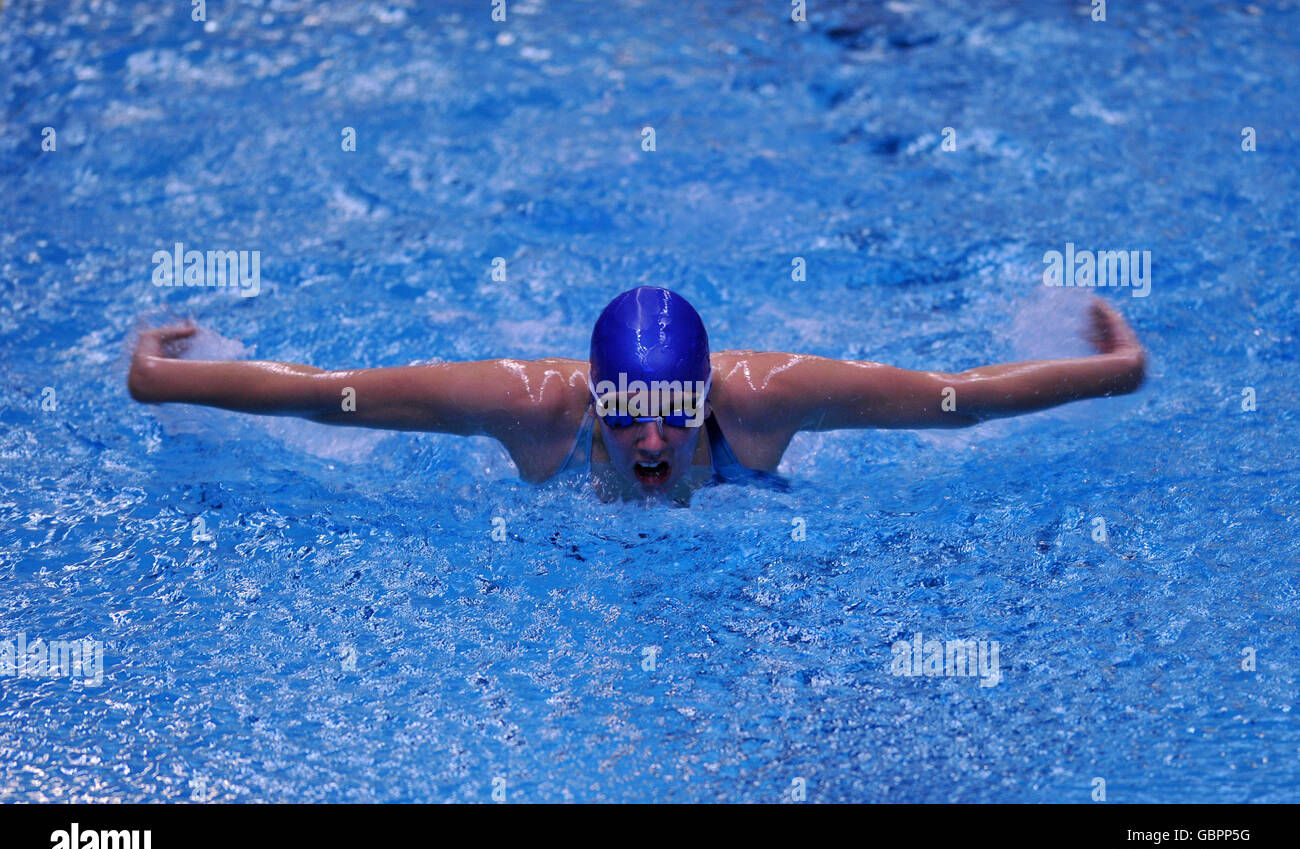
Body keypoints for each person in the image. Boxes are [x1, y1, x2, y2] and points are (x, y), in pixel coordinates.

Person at [127, 285, 1147, 502]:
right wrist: (158, 375)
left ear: (706, 393)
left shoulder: (762, 396)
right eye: (624, 413)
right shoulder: (532, 404)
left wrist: (1116, 371)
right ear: (593, 401)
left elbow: (953, 400)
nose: (650, 439)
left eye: (671, 412)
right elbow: (328, 396)